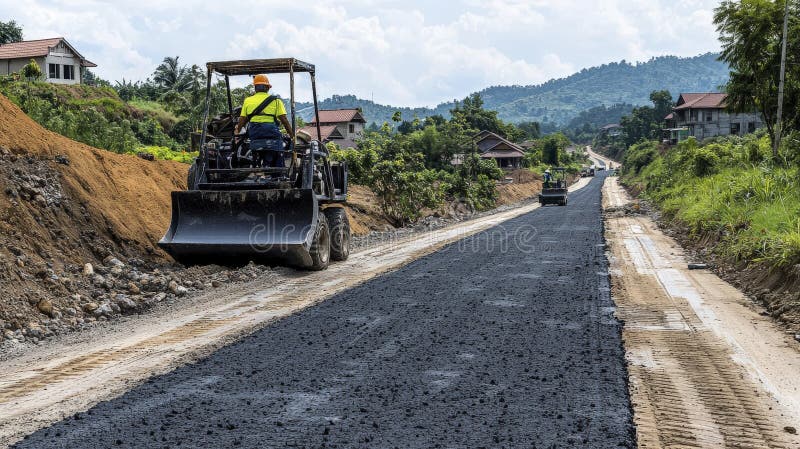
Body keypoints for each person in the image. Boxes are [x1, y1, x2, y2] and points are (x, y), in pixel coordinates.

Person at [234, 74, 293, 167]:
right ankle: (278, 173)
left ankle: (257, 167)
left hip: (255, 132)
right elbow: (284, 120)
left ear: (255, 88)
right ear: (268, 88)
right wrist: (292, 135)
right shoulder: (276, 101)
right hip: (271, 132)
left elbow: (243, 119)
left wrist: (237, 130)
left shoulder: (248, 100)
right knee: (279, 147)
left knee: (255, 146)